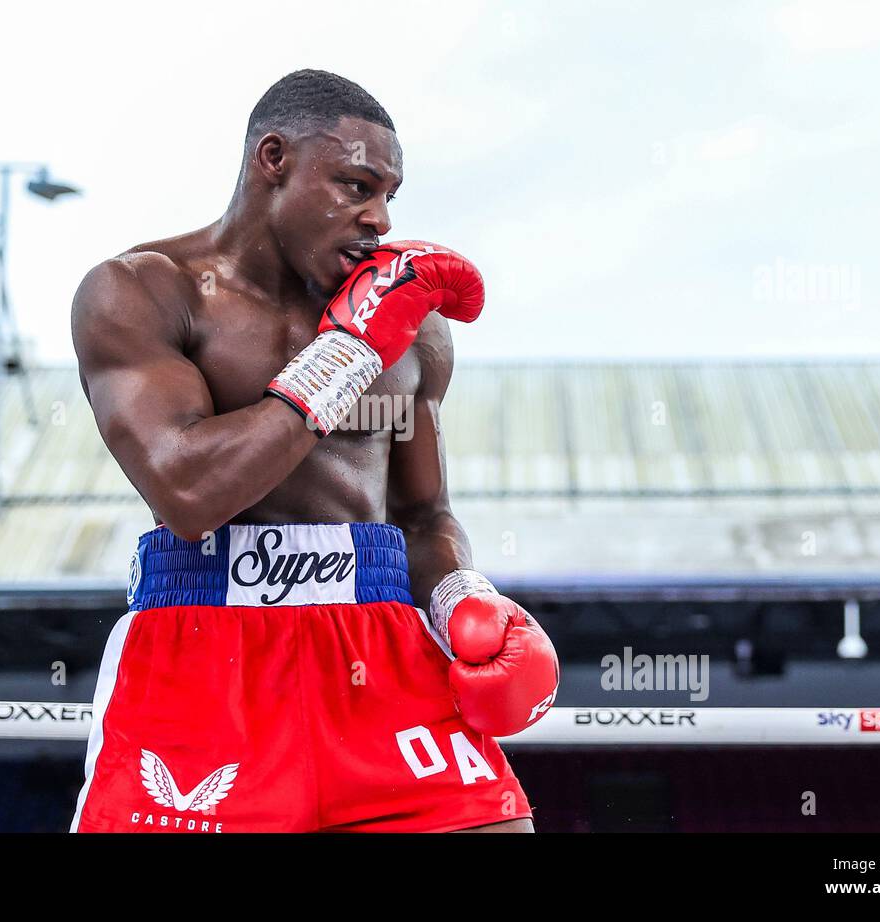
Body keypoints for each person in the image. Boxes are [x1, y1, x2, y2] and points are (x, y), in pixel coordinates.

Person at [70, 70, 558, 833]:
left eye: (391, 196)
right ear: (273, 159)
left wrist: (462, 596)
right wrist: (344, 357)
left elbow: (423, 514)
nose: (379, 218)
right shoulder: (144, 293)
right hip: (202, 646)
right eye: (356, 186)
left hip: (381, 641)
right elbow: (188, 493)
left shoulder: (414, 325)